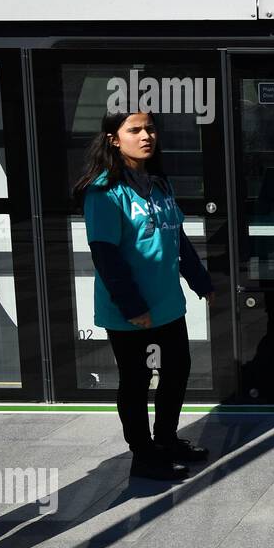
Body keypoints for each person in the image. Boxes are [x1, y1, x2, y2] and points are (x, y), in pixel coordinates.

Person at [73, 110, 214, 481]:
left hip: (167, 303)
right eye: (134, 130)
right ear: (114, 139)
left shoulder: (158, 183)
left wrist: (201, 282)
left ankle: (166, 440)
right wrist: (133, 307)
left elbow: (176, 237)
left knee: (177, 370)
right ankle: (143, 454)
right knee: (135, 382)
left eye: (149, 128)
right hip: (128, 310)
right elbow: (105, 255)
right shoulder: (104, 191)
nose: (146, 135)